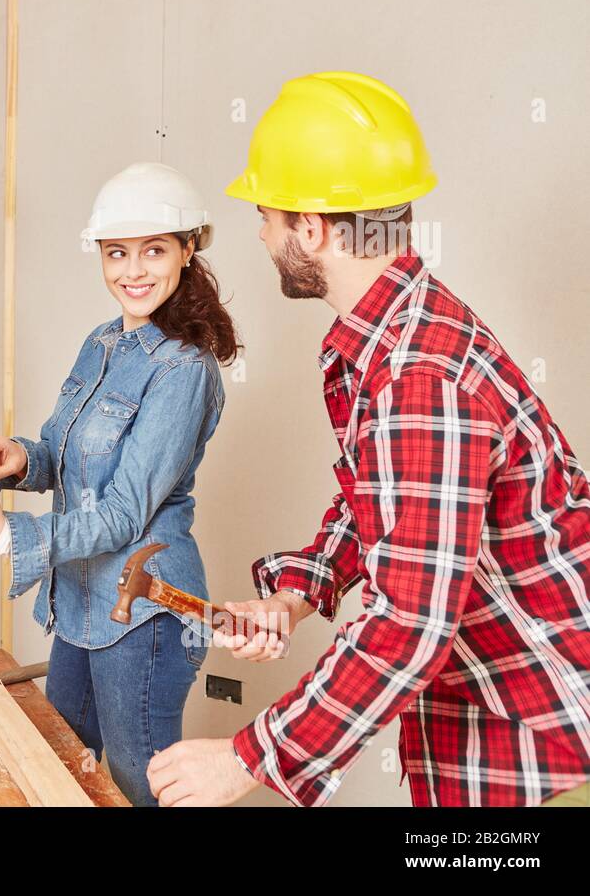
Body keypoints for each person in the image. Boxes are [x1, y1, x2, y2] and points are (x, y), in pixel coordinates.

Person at [147, 71, 590, 807]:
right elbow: (381, 497)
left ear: (312, 227)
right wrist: (298, 592)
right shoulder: (398, 333)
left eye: (267, 215)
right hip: (490, 718)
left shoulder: (420, 376)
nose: (260, 234)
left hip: (551, 737)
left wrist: (248, 758)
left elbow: (409, 625)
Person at [0, 163, 240, 805]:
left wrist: (6, 534)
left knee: (139, 784)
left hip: (148, 612)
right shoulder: (100, 343)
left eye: (154, 250)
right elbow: (67, 457)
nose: (133, 270)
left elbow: (125, 511)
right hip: (78, 603)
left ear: (187, 249)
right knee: (65, 767)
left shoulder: (184, 368)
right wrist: (22, 459)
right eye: (116, 252)